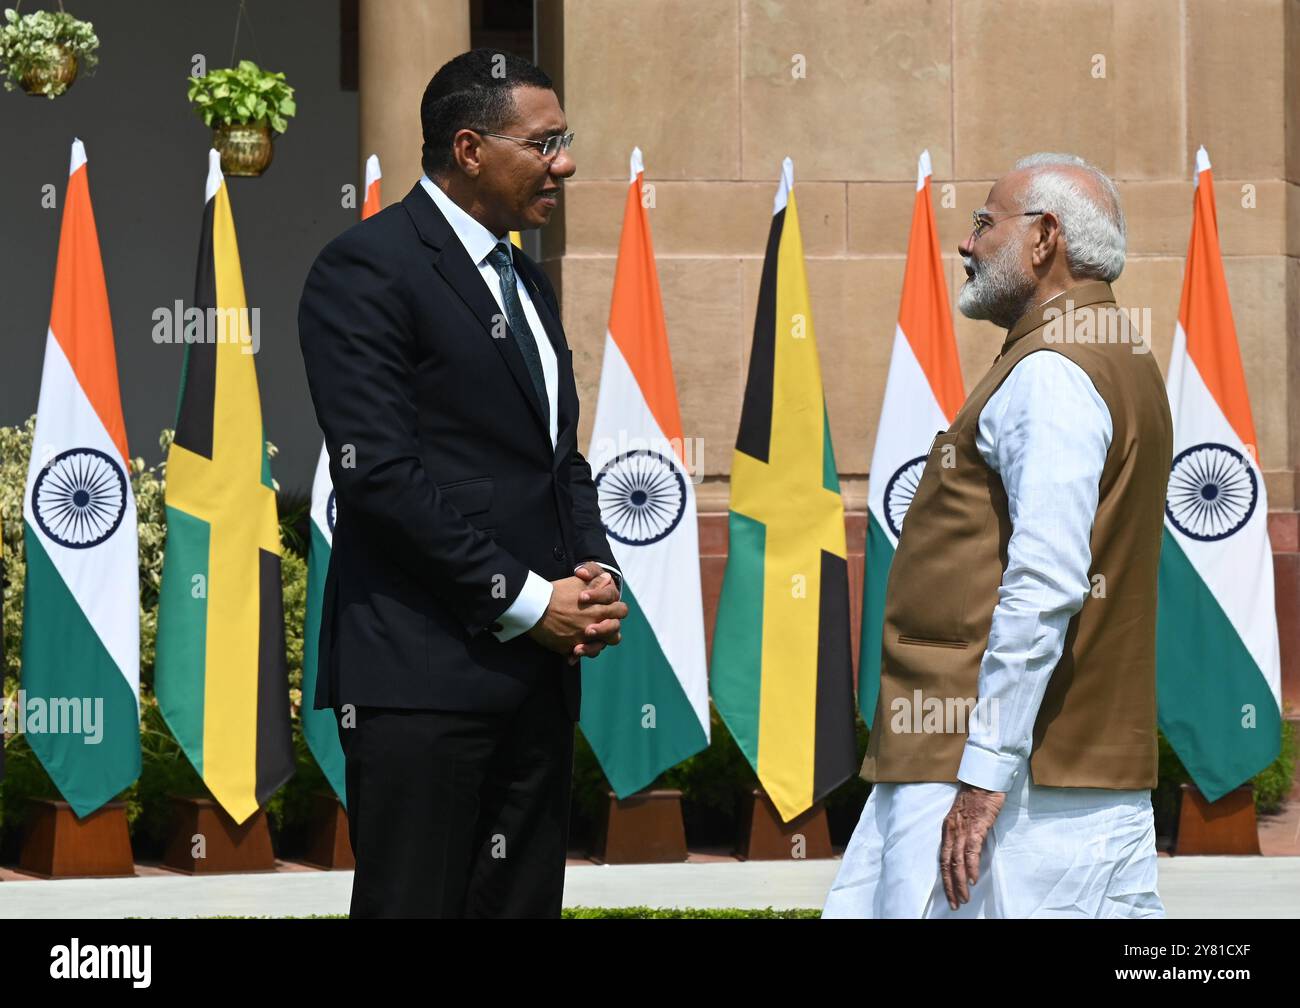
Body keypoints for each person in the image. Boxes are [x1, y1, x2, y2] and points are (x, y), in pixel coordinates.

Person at [297, 49, 627, 918]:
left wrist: (592, 573)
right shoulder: (365, 268)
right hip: (422, 678)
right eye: (546, 141)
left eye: (567, 138)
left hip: (538, 679)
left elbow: (559, 462)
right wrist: (527, 600)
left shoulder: (530, 279)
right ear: (471, 148)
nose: (566, 162)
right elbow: (383, 480)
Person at [824, 153, 1172, 918]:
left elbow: (1045, 584)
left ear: (1045, 238)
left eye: (985, 224)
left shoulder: (1053, 369)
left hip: (1000, 792)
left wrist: (983, 778)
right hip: (1055, 782)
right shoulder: (1119, 353)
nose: (967, 244)